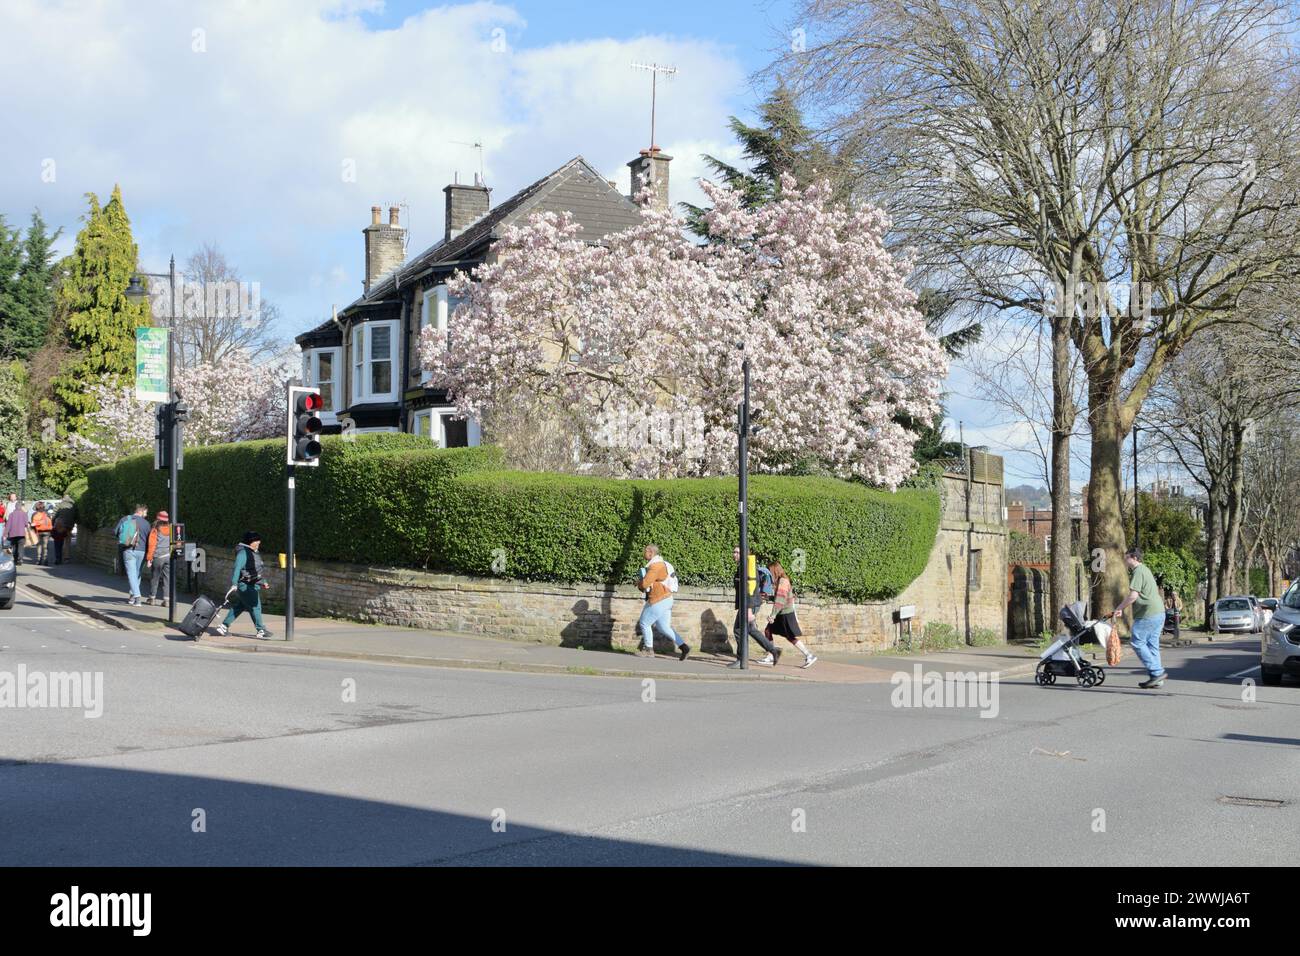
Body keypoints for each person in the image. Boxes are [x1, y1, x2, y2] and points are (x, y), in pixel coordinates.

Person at [1111, 547, 1168, 688]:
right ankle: (1157, 679)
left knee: (1137, 641)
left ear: (1134, 558)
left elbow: (1133, 596)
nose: (1125, 561)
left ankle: (1157, 672)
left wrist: (1119, 608)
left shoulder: (1138, 571)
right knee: (1152, 646)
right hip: (1158, 612)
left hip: (1148, 614)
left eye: (1127, 558)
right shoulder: (1145, 570)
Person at [634, 544, 690, 661]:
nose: (643, 553)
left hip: (658, 599)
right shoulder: (662, 564)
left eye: (645, 551)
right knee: (664, 627)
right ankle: (684, 647)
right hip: (667, 598)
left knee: (644, 623)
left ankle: (648, 650)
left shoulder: (655, 566)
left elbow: (645, 584)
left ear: (650, 552)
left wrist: (639, 583)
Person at [213, 531, 272, 639]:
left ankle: (223, 626)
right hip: (245, 585)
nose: (259, 542)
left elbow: (254, 570)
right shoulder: (243, 553)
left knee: (240, 606)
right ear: (250, 541)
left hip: (252, 583)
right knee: (256, 607)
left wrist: (263, 582)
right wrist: (234, 584)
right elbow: (237, 568)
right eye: (256, 540)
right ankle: (261, 630)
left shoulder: (252, 552)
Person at [728, 546, 780, 667]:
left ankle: (741, 659)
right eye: (734, 552)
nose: (734, 554)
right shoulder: (743, 566)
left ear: (744, 554)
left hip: (748, 604)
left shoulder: (747, 568)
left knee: (738, 630)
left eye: (737, 552)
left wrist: (749, 609)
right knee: (750, 630)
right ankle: (773, 650)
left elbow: (750, 589)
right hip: (746, 604)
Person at [766, 560, 817, 668]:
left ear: (775, 570)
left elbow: (780, 599)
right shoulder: (781, 580)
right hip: (783, 612)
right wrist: (768, 597)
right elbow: (780, 597)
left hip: (785, 613)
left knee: (790, 636)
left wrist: (773, 615)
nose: (769, 574)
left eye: (770, 571)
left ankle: (809, 655)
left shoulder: (783, 581)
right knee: (769, 631)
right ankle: (771, 655)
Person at [115, 504, 150, 606]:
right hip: (142, 551)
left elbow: (116, 532)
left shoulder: (125, 519)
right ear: (141, 511)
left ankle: (137, 597)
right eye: (146, 512)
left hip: (128, 549)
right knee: (137, 573)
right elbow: (149, 539)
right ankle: (132, 596)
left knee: (131, 574)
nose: (146, 515)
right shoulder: (146, 523)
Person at [145, 511, 172, 606]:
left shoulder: (155, 529)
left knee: (155, 578)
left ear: (158, 518)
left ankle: (152, 598)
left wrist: (149, 558)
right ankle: (167, 600)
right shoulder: (171, 528)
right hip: (168, 556)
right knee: (167, 579)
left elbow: (152, 545)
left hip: (158, 557)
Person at [4, 494, 29, 567]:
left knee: (14, 547)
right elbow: (26, 524)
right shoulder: (24, 514)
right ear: (21, 507)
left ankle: (15, 559)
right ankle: (20, 559)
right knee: (21, 547)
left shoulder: (11, 514)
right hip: (21, 534)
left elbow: (8, 525)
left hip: (13, 534)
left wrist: (5, 534)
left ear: (15, 507)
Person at [30, 502, 53, 566]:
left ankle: (39, 559)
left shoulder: (34, 514)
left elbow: (32, 525)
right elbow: (50, 522)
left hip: (38, 532)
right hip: (47, 531)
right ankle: (45, 559)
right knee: (45, 546)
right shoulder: (47, 514)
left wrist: (33, 532)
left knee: (39, 545)